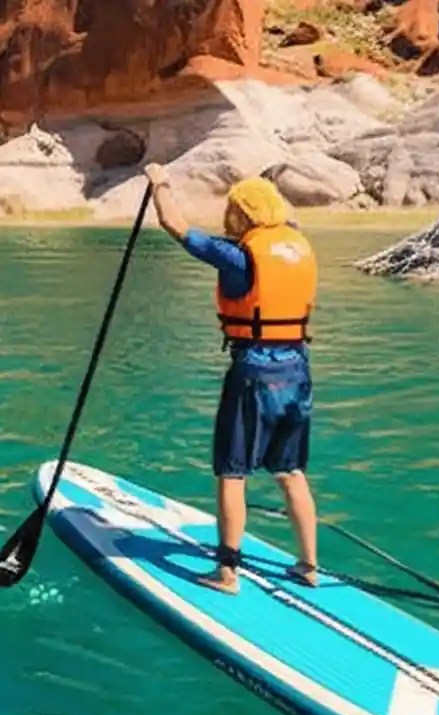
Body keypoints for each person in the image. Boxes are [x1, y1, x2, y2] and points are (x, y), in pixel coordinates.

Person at [143, 163, 321, 595]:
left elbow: (175, 225)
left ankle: (227, 573)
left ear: (242, 214)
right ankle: (309, 566)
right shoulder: (298, 246)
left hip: (254, 373)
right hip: (297, 370)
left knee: (232, 472)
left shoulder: (239, 256)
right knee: (291, 471)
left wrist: (159, 181)